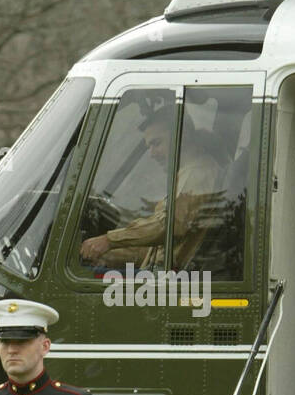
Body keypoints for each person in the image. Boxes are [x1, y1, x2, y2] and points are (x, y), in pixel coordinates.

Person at [79, 104, 224, 271]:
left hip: (173, 278)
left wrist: (109, 240)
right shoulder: (188, 174)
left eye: (157, 143)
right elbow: (154, 249)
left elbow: (168, 226)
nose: (152, 154)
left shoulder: (198, 173)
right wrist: (105, 255)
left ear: (182, 137)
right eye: (149, 147)